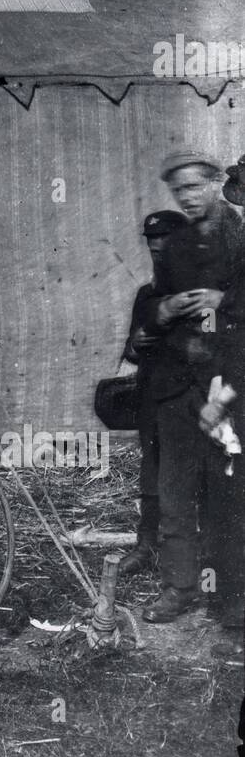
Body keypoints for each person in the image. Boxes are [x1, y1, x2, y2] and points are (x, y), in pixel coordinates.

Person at [141, 149, 245, 654]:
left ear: (215, 183)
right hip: (176, 386)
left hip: (227, 385)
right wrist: (165, 308)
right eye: (178, 189)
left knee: (229, 498)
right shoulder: (177, 243)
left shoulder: (241, 237)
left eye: (195, 187)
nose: (186, 197)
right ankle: (178, 588)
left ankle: (231, 600)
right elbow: (154, 305)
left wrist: (225, 303)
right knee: (174, 491)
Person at [117, 209, 188, 575]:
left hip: (192, 399)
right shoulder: (147, 295)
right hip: (153, 398)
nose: (160, 258)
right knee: (151, 470)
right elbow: (129, 352)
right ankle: (146, 546)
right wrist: (137, 342)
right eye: (154, 252)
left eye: (168, 251)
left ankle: (196, 554)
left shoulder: (205, 296)